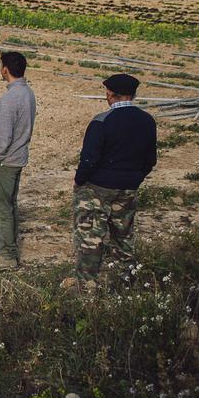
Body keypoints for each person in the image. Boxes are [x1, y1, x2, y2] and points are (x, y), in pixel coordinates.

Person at [72, 73, 157, 288]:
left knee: (91, 239)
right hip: (128, 187)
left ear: (110, 94)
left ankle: (88, 287)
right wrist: (134, 178)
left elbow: (89, 159)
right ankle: (126, 283)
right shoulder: (147, 121)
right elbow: (150, 160)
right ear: (133, 95)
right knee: (123, 237)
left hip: (97, 188)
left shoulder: (101, 121)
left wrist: (80, 181)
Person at [0, 51, 36, 272]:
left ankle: (7, 256)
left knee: (1, 209)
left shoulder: (10, 98)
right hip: (17, 159)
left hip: (5, 162)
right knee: (10, 206)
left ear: (5, 69)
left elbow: (3, 137)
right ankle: (6, 249)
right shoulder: (28, 93)